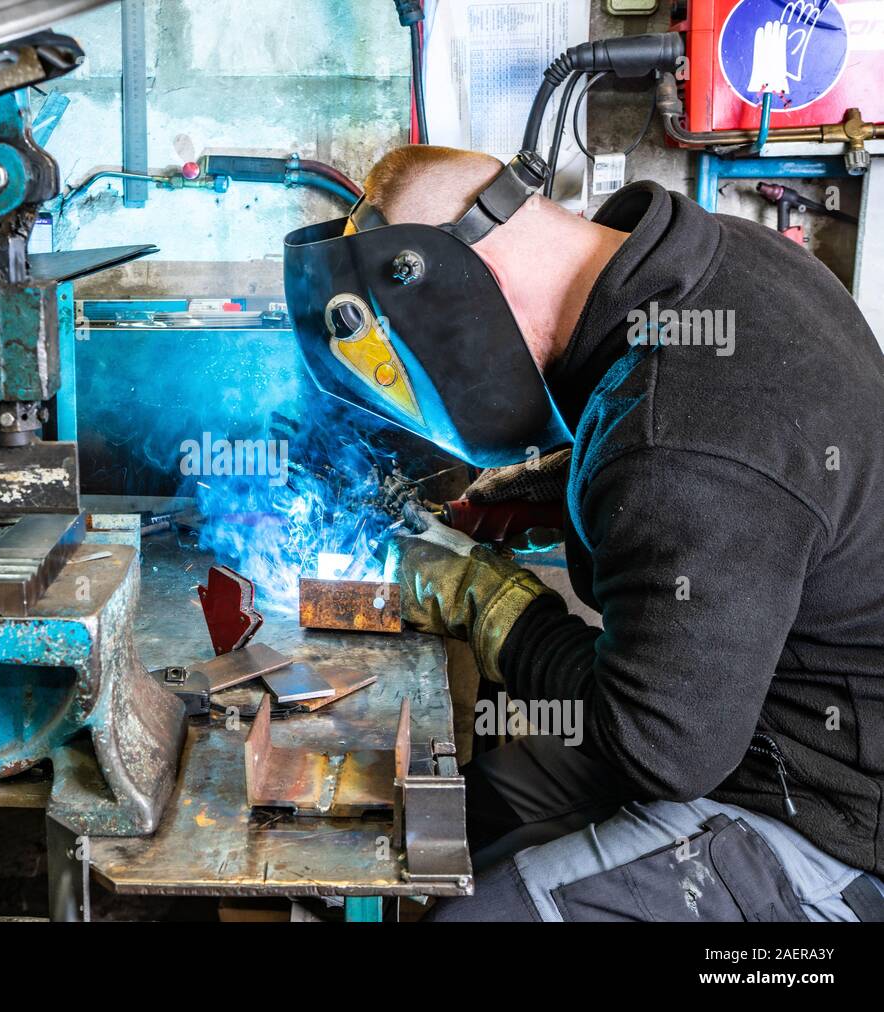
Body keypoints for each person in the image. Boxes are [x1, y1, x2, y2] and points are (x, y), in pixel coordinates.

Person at [282, 145, 884, 921]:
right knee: (459, 814)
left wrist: (488, 604)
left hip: (828, 816)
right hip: (739, 705)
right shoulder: (717, 260)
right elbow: (719, 473)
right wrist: (564, 483)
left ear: (473, 294)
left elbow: (662, 747)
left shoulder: (680, 437)